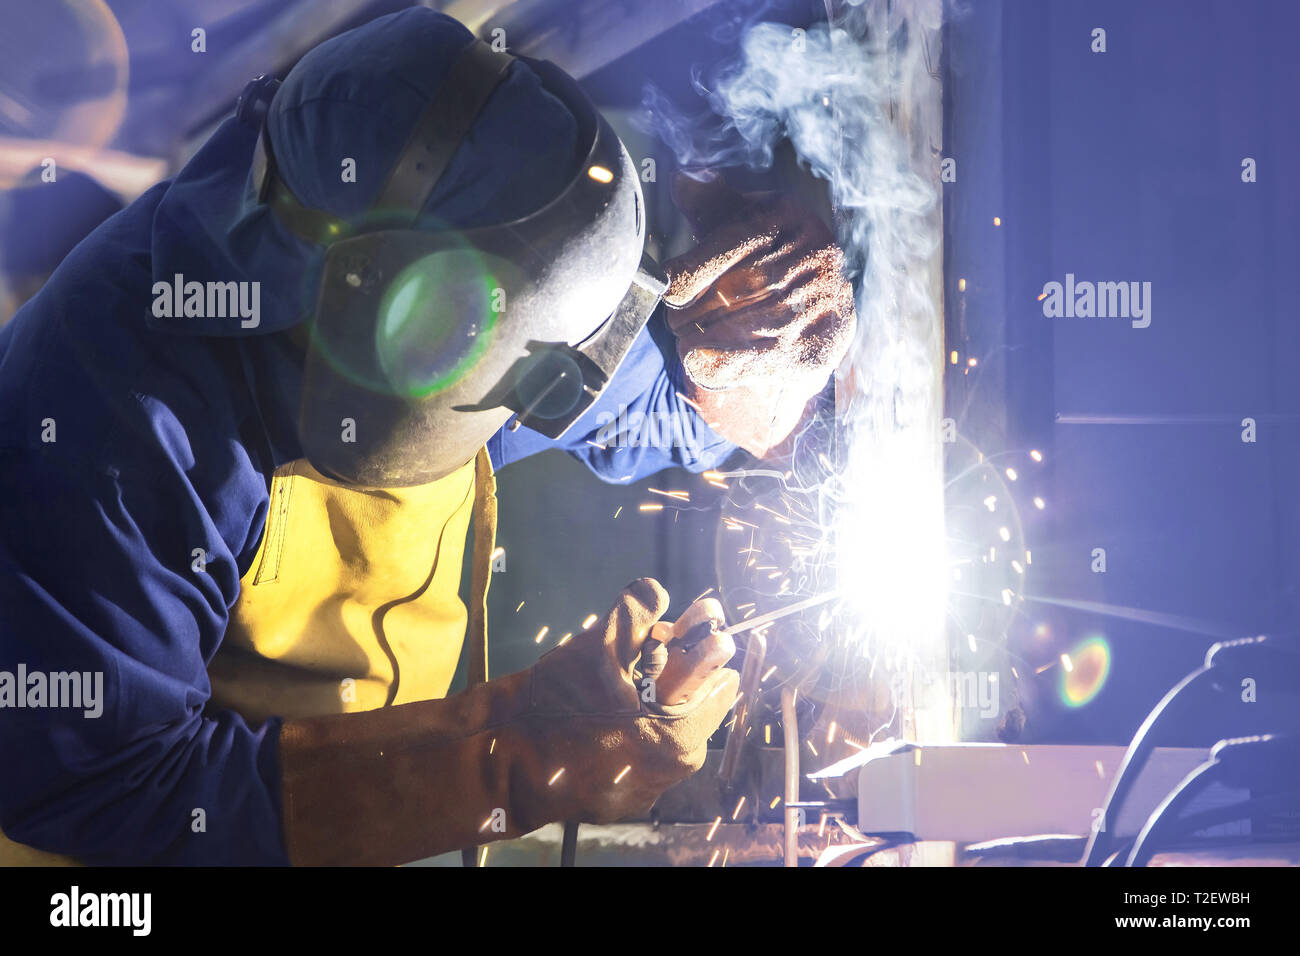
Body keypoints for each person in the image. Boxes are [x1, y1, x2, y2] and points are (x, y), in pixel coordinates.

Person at [0, 8, 854, 865]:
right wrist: (523, 755)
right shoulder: (107, 428)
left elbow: (634, 406)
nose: (536, 402)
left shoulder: (471, 265)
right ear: (407, 332)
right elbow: (106, 795)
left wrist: (744, 378)